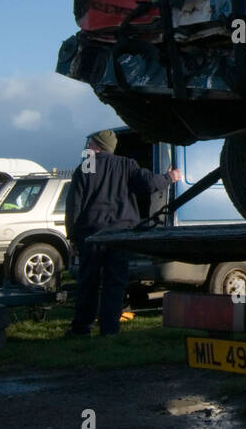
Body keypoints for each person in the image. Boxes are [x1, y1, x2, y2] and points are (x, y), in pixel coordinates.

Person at [64, 129, 180, 336]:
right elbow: (151, 184)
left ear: (98, 146)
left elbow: (73, 206)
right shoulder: (127, 165)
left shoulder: (84, 169)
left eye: (90, 144)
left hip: (91, 236)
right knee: (115, 283)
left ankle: (82, 328)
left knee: (88, 283)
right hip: (120, 236)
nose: (87, 148)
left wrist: (73, 236)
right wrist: (169, 177)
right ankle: (110, 329)